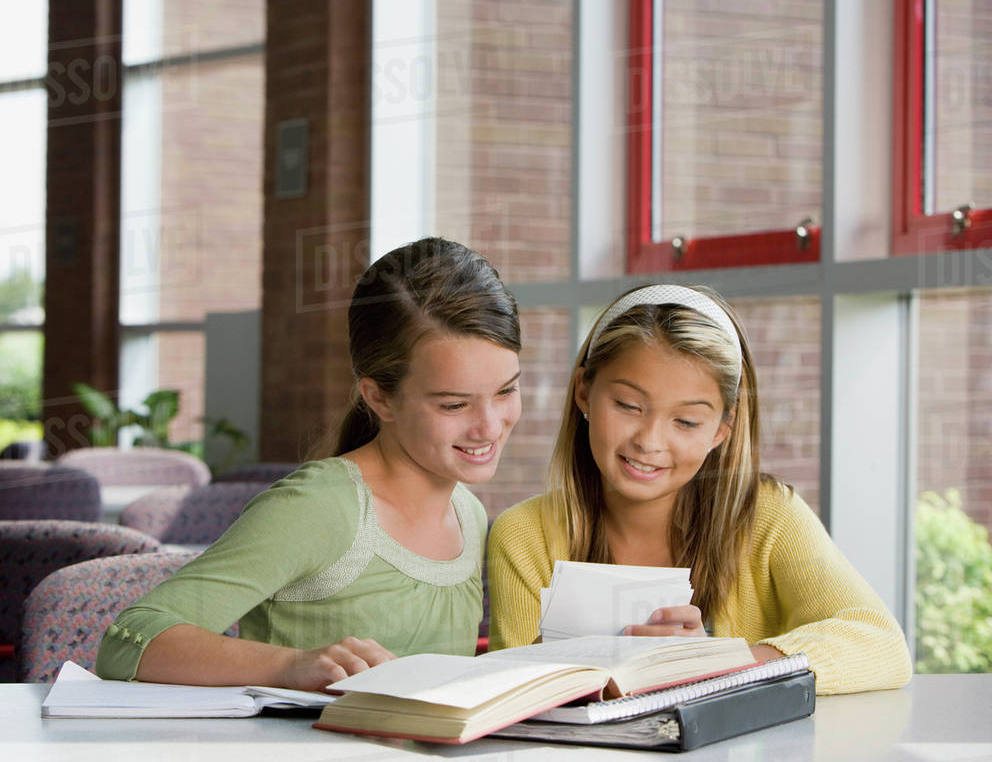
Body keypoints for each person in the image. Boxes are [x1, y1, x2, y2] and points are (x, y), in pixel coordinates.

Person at [97, 237, 523, 691]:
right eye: (455, 405)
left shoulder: (468, 514)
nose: (490, 427)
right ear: (379, 397)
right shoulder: (320, 508)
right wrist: (289, 666)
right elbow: (129, 642)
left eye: (505, 391)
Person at [486, 284, 912, 694]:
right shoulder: (525, 535)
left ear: (721, 429)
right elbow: (510, 699)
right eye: (628, 406)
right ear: (584, 392)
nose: (650, 441)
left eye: (686, 422)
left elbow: (880, 643)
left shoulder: (768, 516)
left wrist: (714, 664)